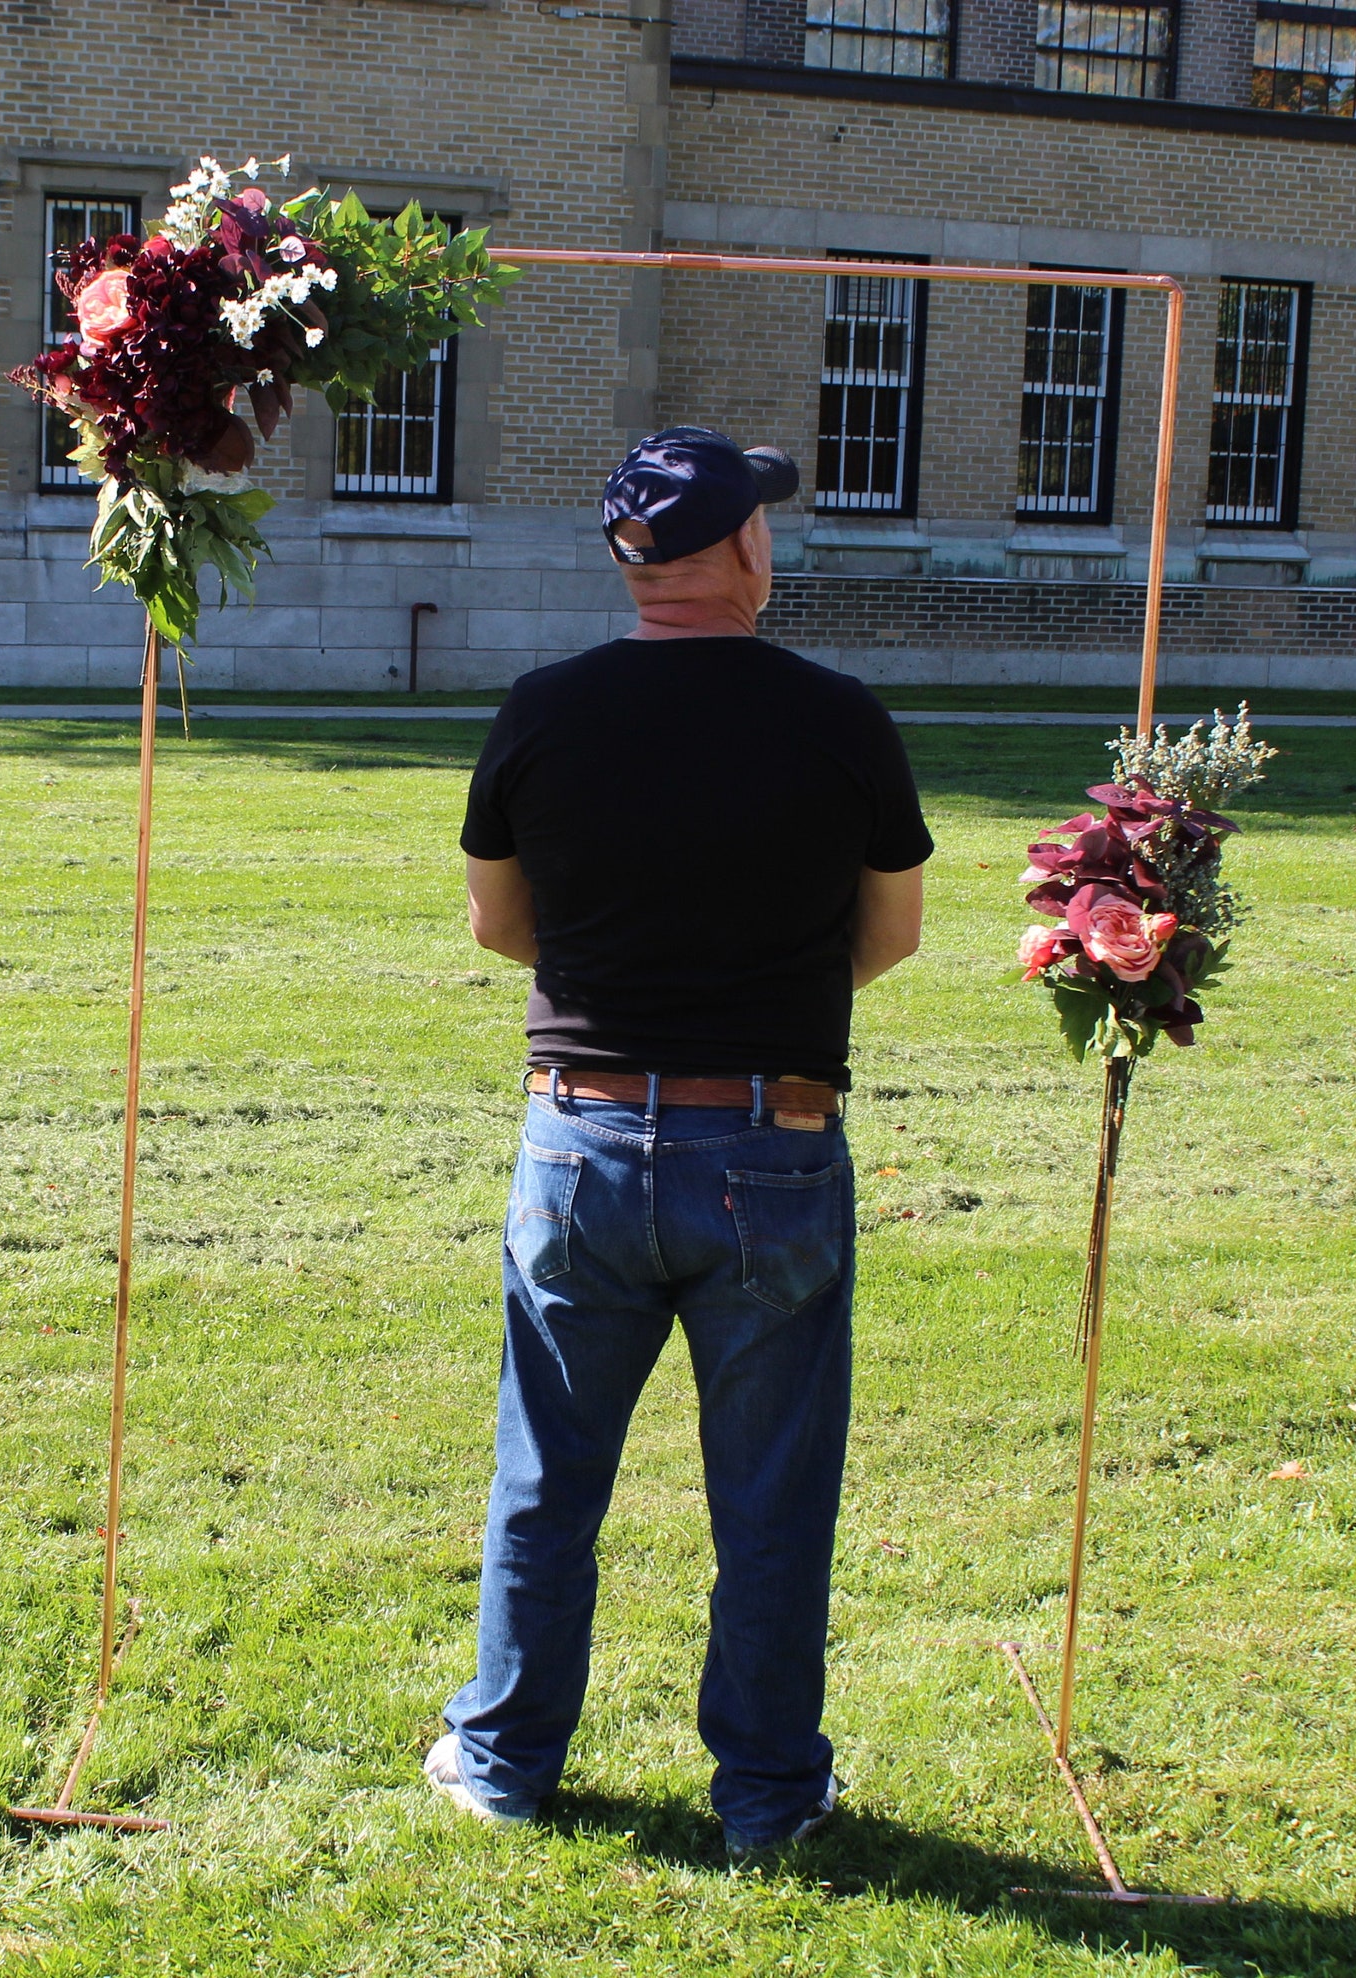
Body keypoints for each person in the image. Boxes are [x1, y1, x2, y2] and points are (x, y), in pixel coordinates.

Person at [424, 425, 934, 1861]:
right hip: (770, 1138)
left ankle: (508, 1759)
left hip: (579, 1142)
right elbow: (886, 938)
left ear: (627, 560)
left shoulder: (541, 708)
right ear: (751, 550)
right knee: (771, 1496)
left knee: (547, 1474)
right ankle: (768, 1794)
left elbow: (497, 922)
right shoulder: (839, 716)